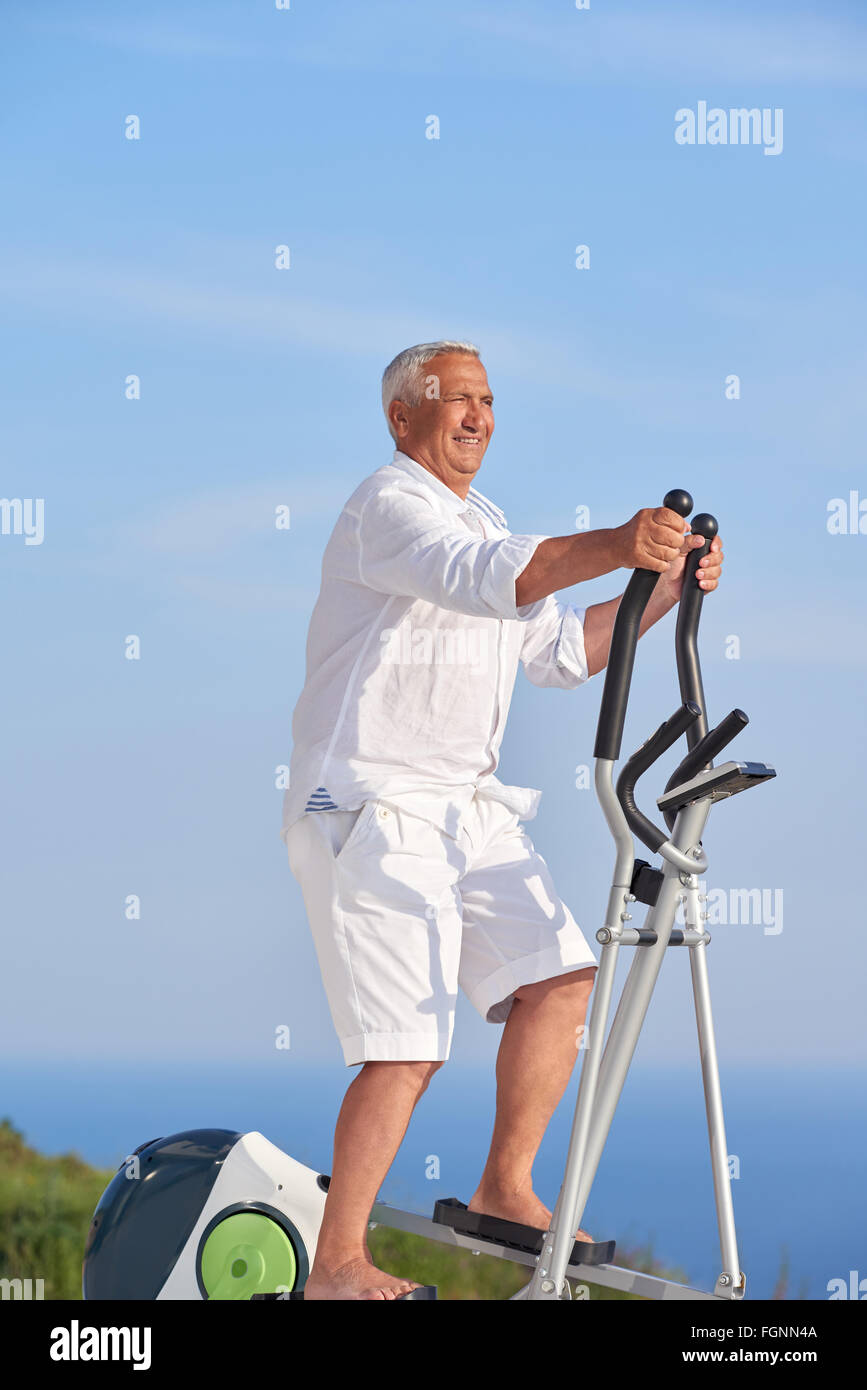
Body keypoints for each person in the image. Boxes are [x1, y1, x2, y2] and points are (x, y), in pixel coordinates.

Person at [281, 340, 724, 1299]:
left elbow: (562, 652)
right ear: (403, 418)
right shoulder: (387, 508)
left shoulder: (483, 521)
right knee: (406, 1050)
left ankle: (503, 1187)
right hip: (370, 803)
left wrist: (662, 584)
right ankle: (337, 1267)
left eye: (487, 398)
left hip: (464, 805)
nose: (477, 414)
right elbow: (486, 576)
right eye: (455, 399)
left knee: (561, 982)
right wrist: (617, 542)